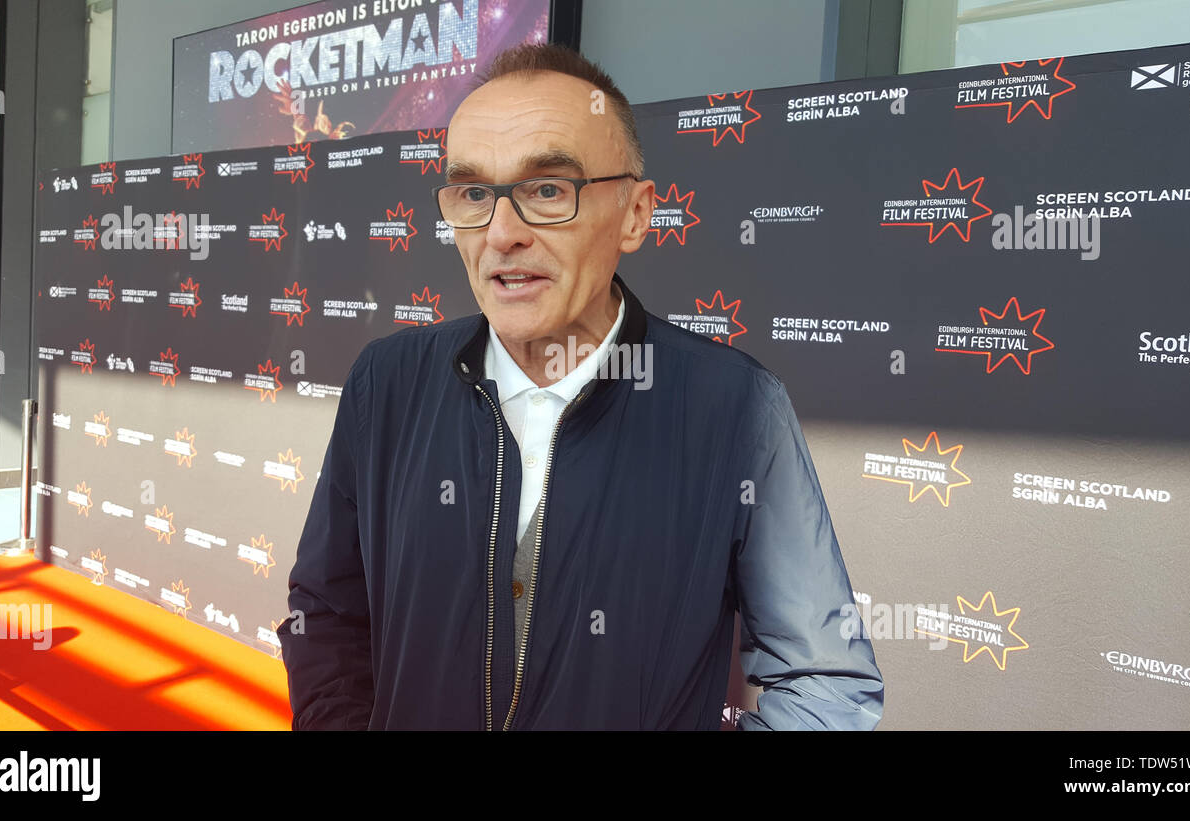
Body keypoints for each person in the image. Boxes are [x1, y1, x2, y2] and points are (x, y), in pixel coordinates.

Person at [276, 43, 883, 730]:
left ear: (634, 214)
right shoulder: (387, 381)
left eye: (547, 190)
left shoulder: (736, 407)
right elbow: (325, 610)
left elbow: (826, 683)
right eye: (474, 193)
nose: (502, 233)